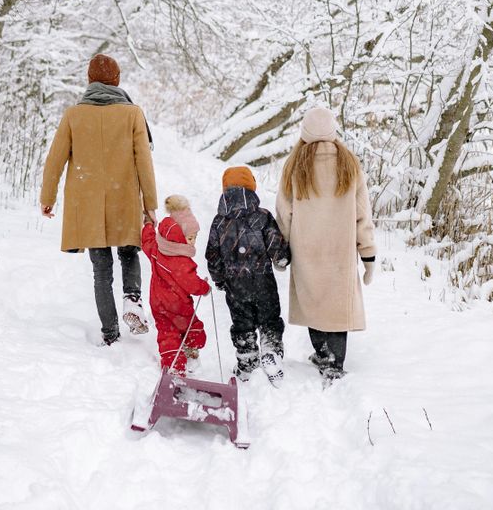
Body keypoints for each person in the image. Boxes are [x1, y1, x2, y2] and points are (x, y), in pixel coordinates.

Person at [40, 53, 157, 346]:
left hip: (89, 203)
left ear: (89, 80)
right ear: (117, 81)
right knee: (129, 252)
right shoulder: (132, 113)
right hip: (124, 198)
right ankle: (132, 298)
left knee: (101, 268)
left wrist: (48, 198)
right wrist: (150, 205)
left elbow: (54, 160)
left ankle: (110, 333)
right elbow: (144, 160)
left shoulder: (74, 115)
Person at [275, 107, 376, 384]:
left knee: (314, 303)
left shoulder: (295, 164)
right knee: (335, 307)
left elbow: (285, 212)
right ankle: (335, 362)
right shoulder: (349, 163)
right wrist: (368, 254)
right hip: (340, 251)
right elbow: (362, 213)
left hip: (306, 249)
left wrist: (281, 251)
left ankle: (321, 354)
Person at [206, 166, 290, 383]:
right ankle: (271, 350)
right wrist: (282, 257)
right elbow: (275, 244)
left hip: (236, 286)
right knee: (269, 319)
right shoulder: (262, 217)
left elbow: (212, 255)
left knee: (242, 323)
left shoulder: (219, 222)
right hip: (263, 281)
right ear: (252, 187)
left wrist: (219, 279)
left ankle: (247, 361)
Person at [140, 195, 211, 374]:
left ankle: (174, 367)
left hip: (157, 304)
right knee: (194, 329)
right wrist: (204, 287)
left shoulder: (158, 248)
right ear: (179, 237)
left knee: (167, 335)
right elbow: (192, 284)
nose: (193, 242)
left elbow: (147, 241)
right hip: (178, 306)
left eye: (195, 237)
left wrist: (148, 225)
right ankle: (191, 351)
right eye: (189, 238)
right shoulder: (181, 261)